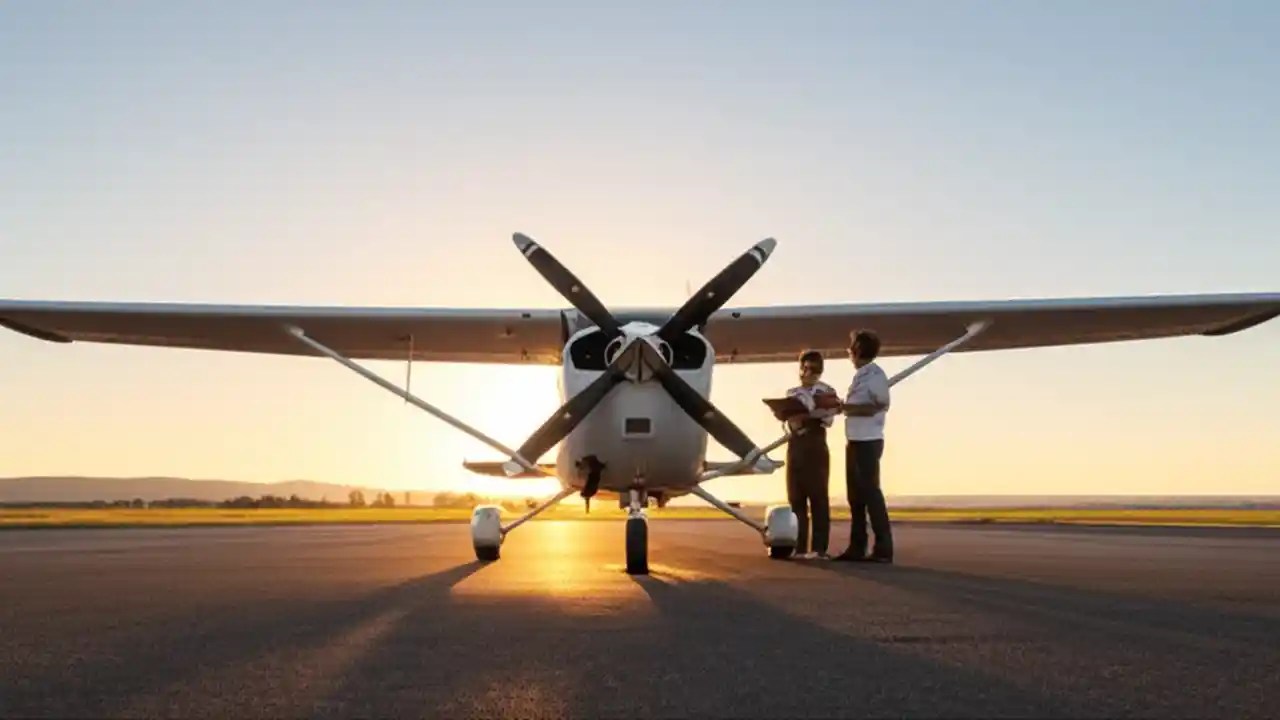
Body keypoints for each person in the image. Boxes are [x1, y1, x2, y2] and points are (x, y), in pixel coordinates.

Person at [834, 329, 894, 563]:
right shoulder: (861, 376)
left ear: (858, 351)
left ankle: (883, 547)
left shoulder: (875, 375)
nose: (849, 353)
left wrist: (845, 408)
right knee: (855, 496)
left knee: (871, 493)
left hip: (868, 441)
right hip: (855, 440)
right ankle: (856, 546)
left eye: (851, 348)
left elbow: (878, 406)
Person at [783, 350, 839, 559]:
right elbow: (787, 418)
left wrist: (811, 413)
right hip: (796, 443)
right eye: (805, 368)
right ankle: (799, 546)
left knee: (818, 497)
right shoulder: (792, 392)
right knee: (796, 496)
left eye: (814, 369)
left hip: (816, 442)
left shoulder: (827, 391)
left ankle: (819, 548)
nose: (808, 373)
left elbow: (828, 418)